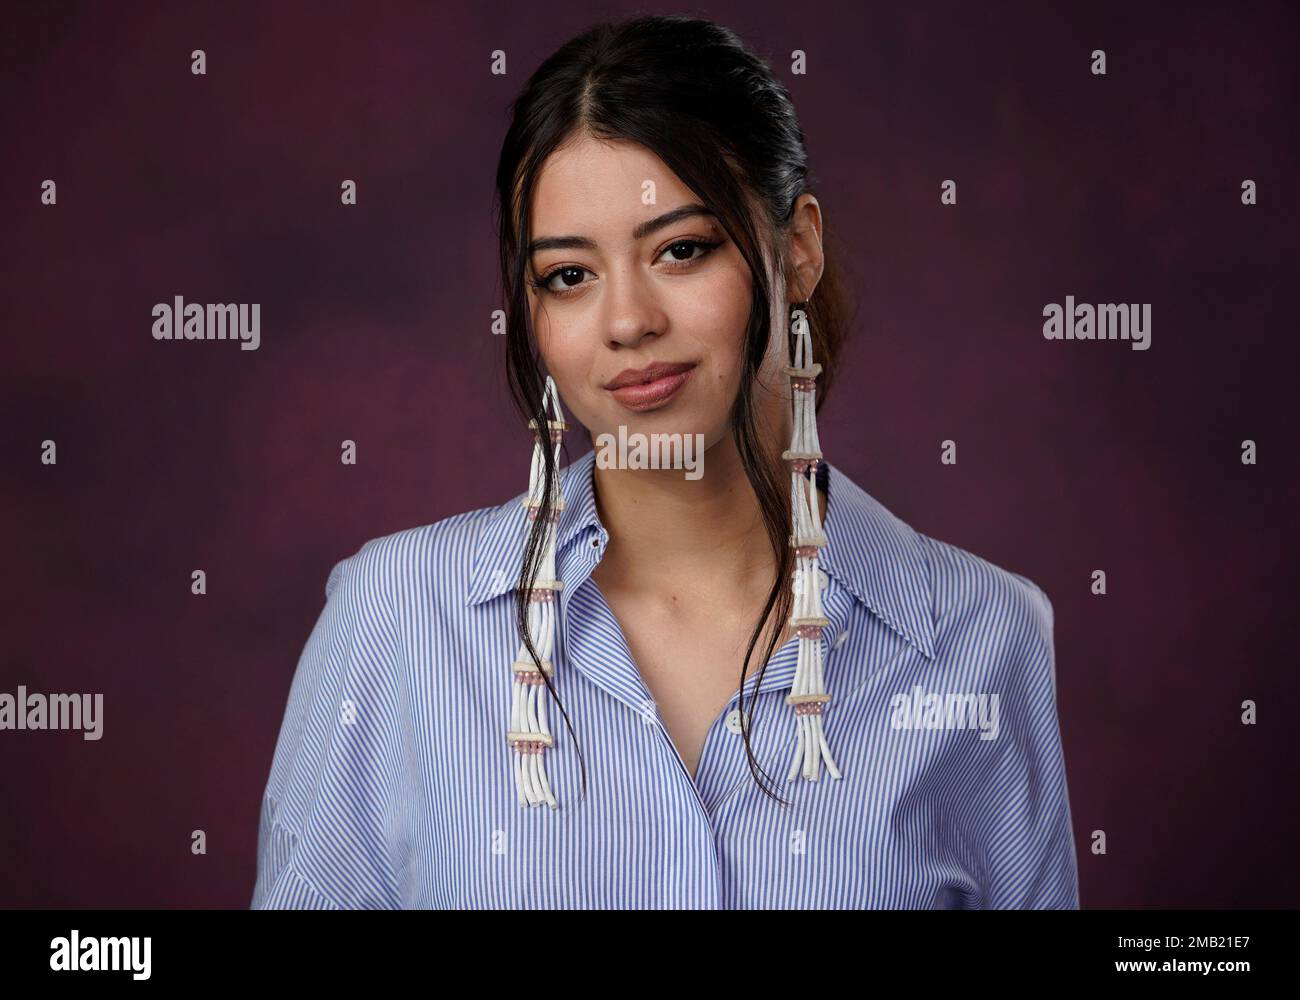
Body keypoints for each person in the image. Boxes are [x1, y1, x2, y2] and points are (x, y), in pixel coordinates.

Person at [251, 14, 1079, 909]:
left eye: (682, 250)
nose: (627, 321)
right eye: (569, 275)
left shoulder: (985, 637)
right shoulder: (400, 621)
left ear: (796, 249)